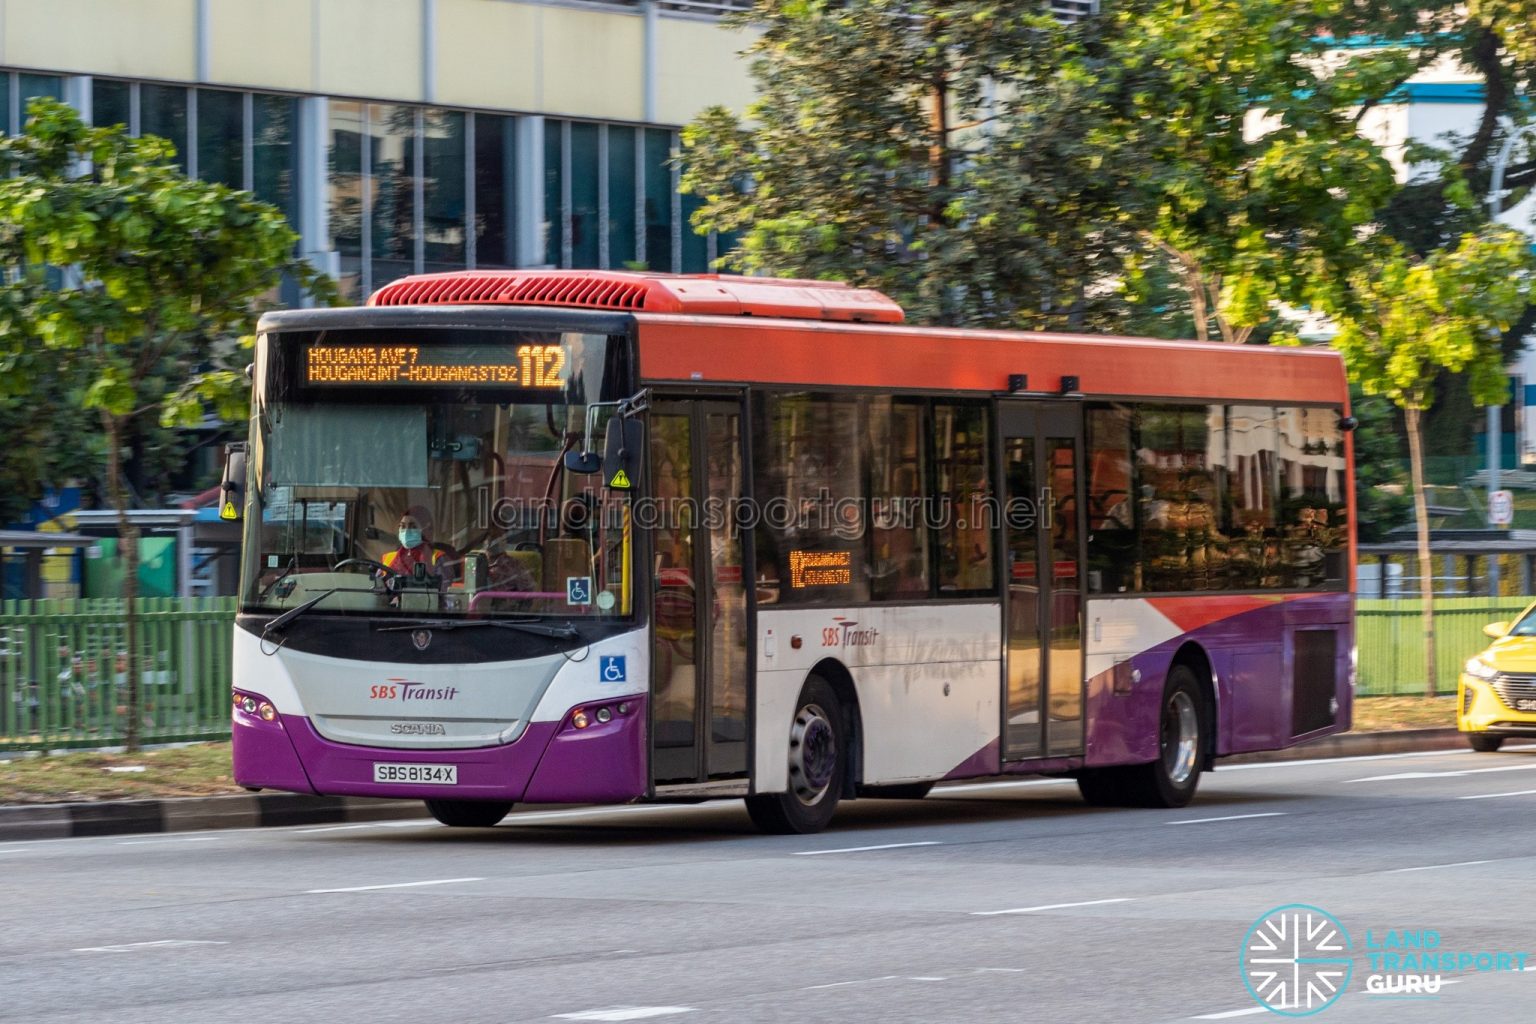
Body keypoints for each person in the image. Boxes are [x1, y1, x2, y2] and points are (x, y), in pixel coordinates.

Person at [383, 506, 444, 576]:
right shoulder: (389, 558)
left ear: (425, 529)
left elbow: (443, 585)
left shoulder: (437, 557)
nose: (406, 531)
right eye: (402, 526)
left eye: (413, 527)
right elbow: (379, 583)